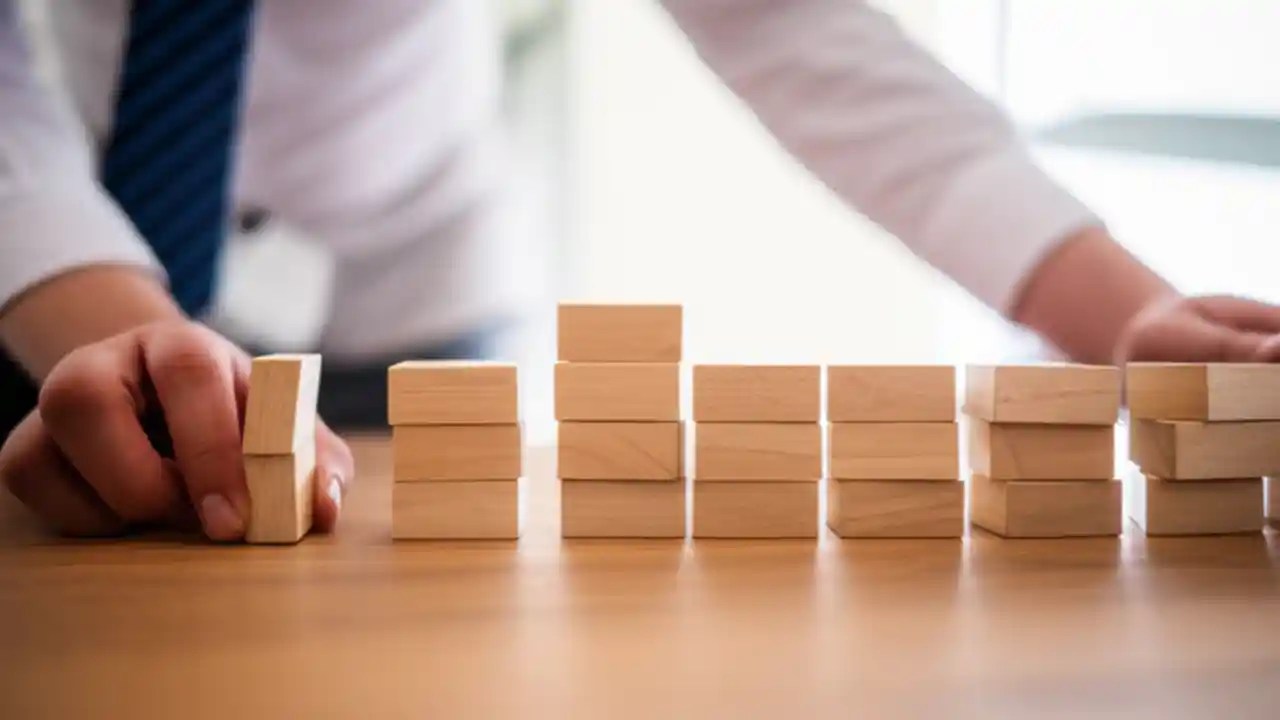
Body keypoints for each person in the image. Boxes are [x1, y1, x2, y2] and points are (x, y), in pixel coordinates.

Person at [2, 0, 1278, 541]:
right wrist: (101, 317)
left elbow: (795, 27)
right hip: (52, 281)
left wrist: (1125, 314)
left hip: (412, 278)